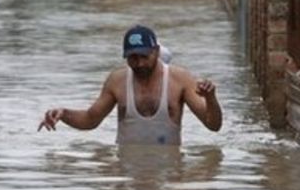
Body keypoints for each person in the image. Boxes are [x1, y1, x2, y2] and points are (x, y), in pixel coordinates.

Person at [38, 25, 221, 145]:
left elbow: (213, 125)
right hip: (127, 171)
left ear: (156, 52)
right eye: (133, 58)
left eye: (144, 57)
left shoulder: (180, 79)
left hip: (169, 174)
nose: (139, 64)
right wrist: (63, 114)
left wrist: (211, 99)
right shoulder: (117, 81)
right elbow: (90, 120)